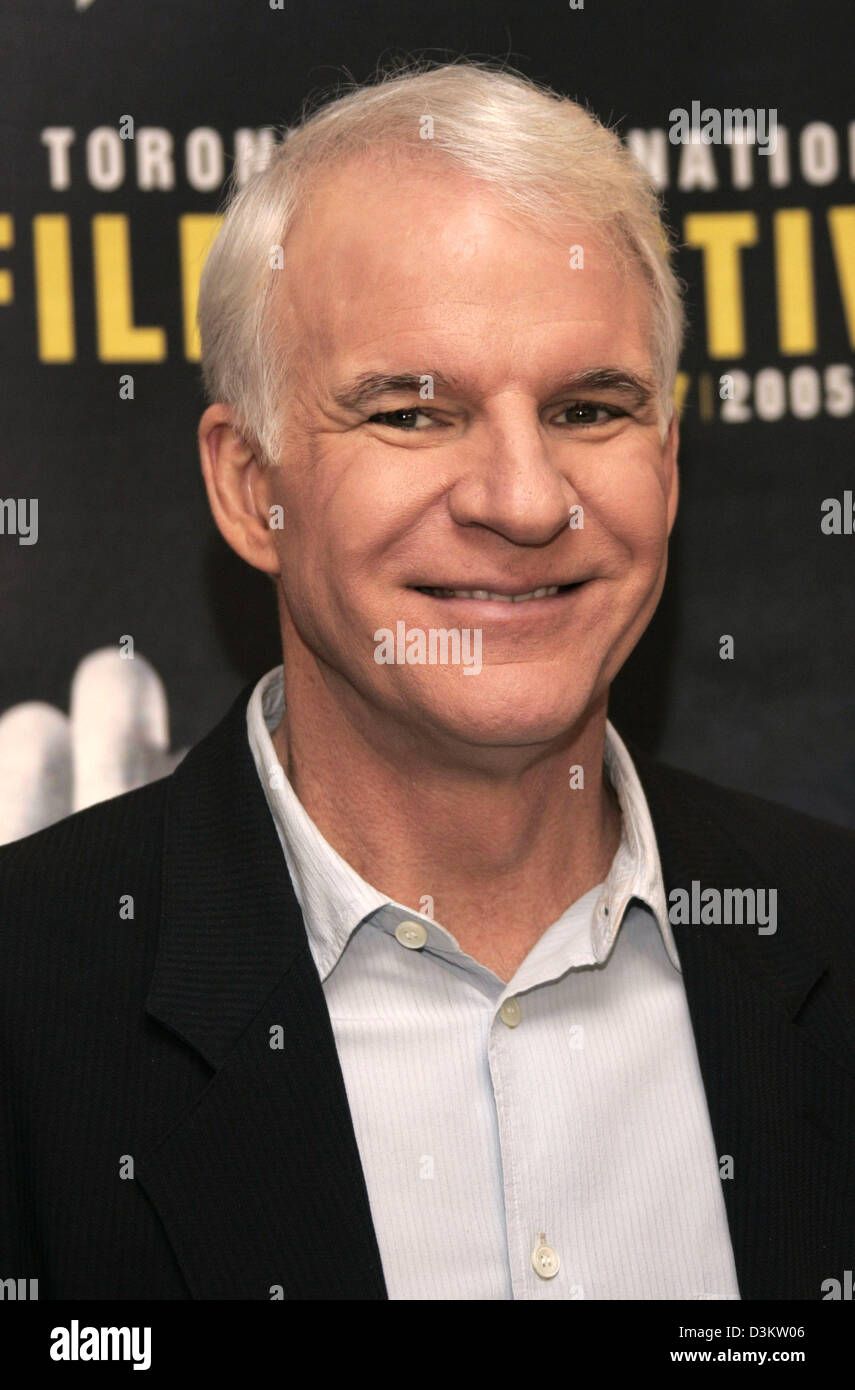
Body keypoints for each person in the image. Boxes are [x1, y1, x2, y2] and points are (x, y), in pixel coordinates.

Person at [1, 59, 853, 1302]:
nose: (524, 499)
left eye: (589, 408)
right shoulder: (33, 1001)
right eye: (411, 413)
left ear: (668, 464)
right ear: (250, 485)